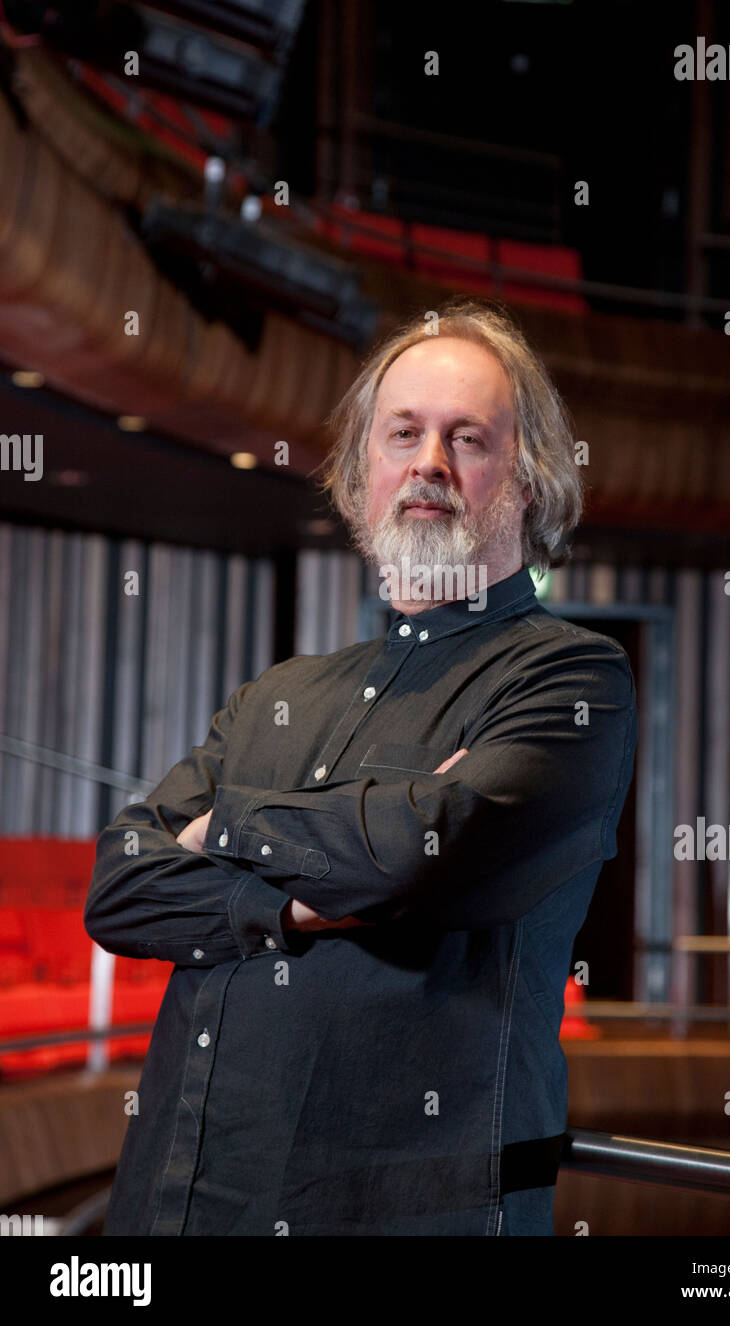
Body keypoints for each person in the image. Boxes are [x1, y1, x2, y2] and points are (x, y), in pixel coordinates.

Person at [85, 298, 637, 1237]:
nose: (429, 462)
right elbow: (121, 890)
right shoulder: (276, 695)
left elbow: (420, 855)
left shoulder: (570, 677)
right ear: (358, 475)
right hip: (171, 1208)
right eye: (404, 434)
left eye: (467, 438)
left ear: (529, 480)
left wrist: (225, 828)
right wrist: (301, 893)